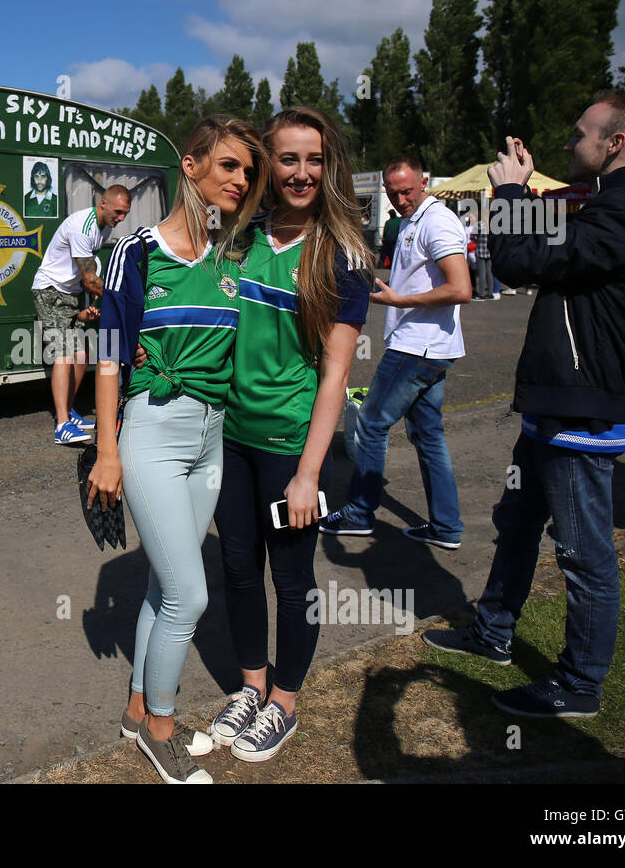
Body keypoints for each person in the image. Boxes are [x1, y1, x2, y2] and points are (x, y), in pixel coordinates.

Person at [424, 90, 625, 717]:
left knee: (581, 550)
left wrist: (510, 192)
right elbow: (553, 253)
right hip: (558, 398)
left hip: (584, 404)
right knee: (517, 523)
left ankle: (579, 684)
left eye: (580, 134)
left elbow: (515, 262)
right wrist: (523, 193)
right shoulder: (616, 203)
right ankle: (493, 632)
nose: (569, 145)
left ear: (616, 143)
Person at [88, 115, 265, 784]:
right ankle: (160, 729)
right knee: (189, 598)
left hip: (211, 437)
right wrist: (108, 451)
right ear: (189, 166)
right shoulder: (136, 250)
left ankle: (138, 709)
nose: (241, 180)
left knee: (166, 586)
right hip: (153, 433)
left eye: (247, 170)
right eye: (228, 165)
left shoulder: (237, 254)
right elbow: (108, 356)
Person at [207, 107, 373, 761]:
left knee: (293, 578)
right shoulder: (240, 237)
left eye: (313, 160)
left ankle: (285, 702)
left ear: (328, 166)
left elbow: (335, 377)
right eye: (288, 159)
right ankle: (251, 687)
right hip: (229, 436)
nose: (301, 173)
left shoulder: (345, 255)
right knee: (237, 567)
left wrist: (309, 473)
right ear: (267, 167)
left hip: (289, 447)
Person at [320, 154, 471, 548]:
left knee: (371, 423)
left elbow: (461, 288)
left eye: (407, 190)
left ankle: (358, 513)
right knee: (427, 435)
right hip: (431, 346)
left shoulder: (436, 220)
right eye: (393, 192)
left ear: (424, 181)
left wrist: (400, 301)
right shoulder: (413, 220)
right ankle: (446, 526)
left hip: (416, 347)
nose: (401, 198)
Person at [30, 186, 131, 444]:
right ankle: (62, 425)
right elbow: (89, 278)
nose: (120, 218)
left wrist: (93, 299)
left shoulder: (104, 226)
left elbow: (88, 275)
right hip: (50, 290)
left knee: (81, 356)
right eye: (117, 212)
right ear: (103, 203)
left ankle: (69, 411)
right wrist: (117, 299)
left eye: (125, 214)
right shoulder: (82, 226)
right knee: (63, 355)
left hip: (69, 293)